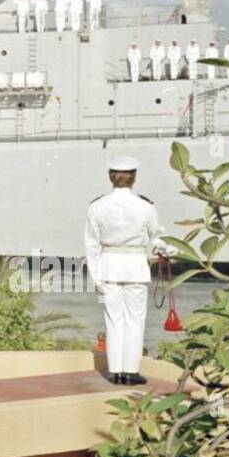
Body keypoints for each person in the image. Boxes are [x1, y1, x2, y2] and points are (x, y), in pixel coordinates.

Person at [83, 157, 165, 387]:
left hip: (108, 268)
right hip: (136, 267)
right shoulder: (146, 206)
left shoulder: (96, 206)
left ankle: (116, 372)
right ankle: (131, 371)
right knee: (135, 321)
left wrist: (96, 275)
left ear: (111, 177)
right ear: (134, 177)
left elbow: (91, 244)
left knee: (113, 321)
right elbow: (156, 236)